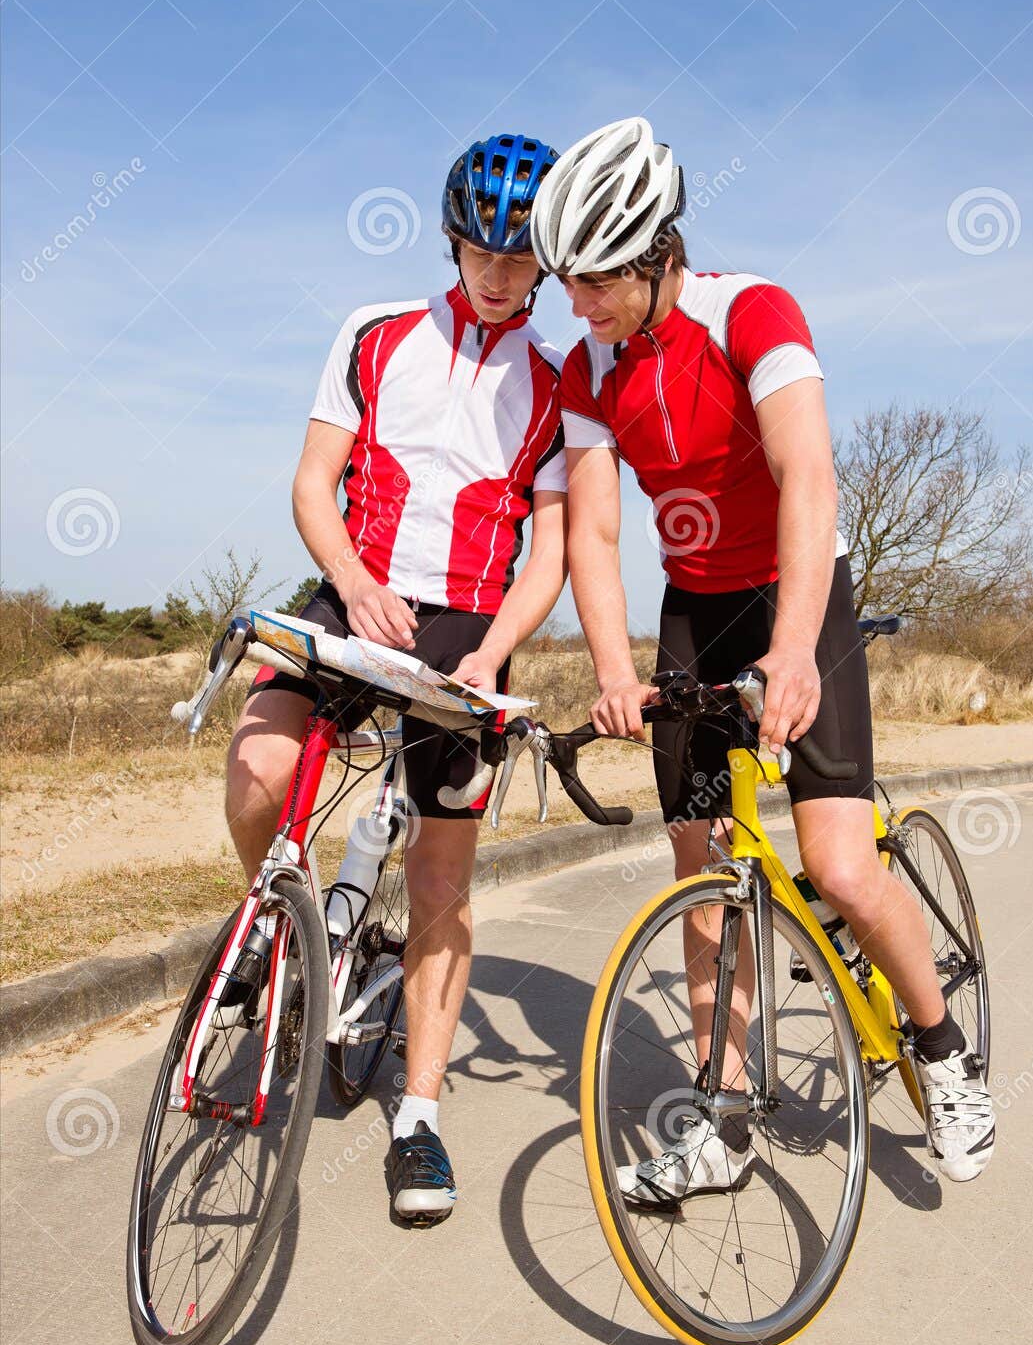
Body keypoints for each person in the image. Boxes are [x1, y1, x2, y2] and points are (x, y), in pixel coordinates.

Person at [531, 116, 994, 1197]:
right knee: (702, 873)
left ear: (655, 254)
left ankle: (943, 1049)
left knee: (836, 862)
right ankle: (723, 1122)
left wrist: (794, 654)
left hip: (800, 587)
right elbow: (593, 533)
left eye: (595, 280)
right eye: (569, 283)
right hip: (699, 606)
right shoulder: (591, 372)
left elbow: (809, 477)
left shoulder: (752, 311)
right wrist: (612, 670)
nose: (578, 305)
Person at [225, 133, 567, 1225]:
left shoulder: (563, 386)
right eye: (484, 251)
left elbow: (552, 548)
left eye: (523, 260)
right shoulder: (376, 334)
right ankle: (272, 927)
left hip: (471, 625)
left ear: (548, 266)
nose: (500, 275)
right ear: (453, 239)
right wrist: (353, 580)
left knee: (437, 879)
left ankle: (418, 1115)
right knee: (260, 770)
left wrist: (491, 646)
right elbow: (314, 481)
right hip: (354, 587)